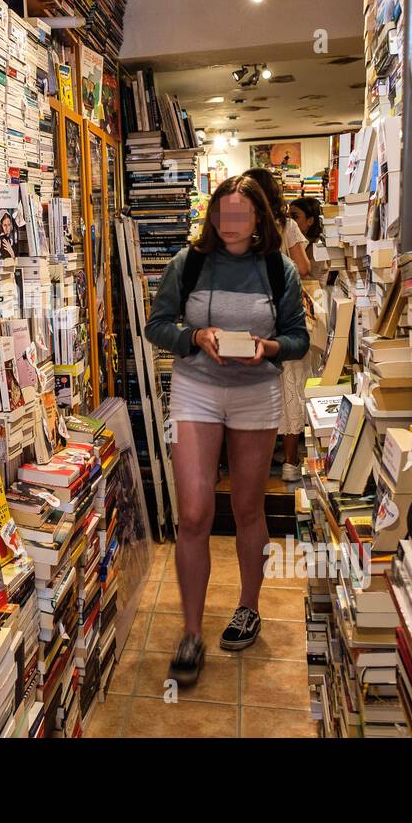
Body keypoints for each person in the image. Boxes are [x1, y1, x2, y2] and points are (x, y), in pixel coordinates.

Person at [144, 175, 309, 685]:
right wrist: (195, 335)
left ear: (259, 219)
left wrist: (271, 347)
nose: (230, 223)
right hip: (196, 388)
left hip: (255, 393)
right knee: (193, 511)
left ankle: (248, 606)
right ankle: (191, 632)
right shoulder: (187, 264)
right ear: (212, 217)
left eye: (241, 214)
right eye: (222, 214)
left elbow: (298, 338)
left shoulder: (278, 269)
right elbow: (157, 325)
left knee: (246, 508)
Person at [244, 168, 312, 482]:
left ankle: (256, 462)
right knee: (291, 387)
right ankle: (289, 462)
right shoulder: (286, 226)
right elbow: (303, 266)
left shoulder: (243, 227)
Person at [290, 196, 328, 286]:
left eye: (295, 217)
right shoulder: (298, 241)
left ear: (310, 220)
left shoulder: (319, 245)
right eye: (288, 217)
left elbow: (316, 282)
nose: (290, 221)